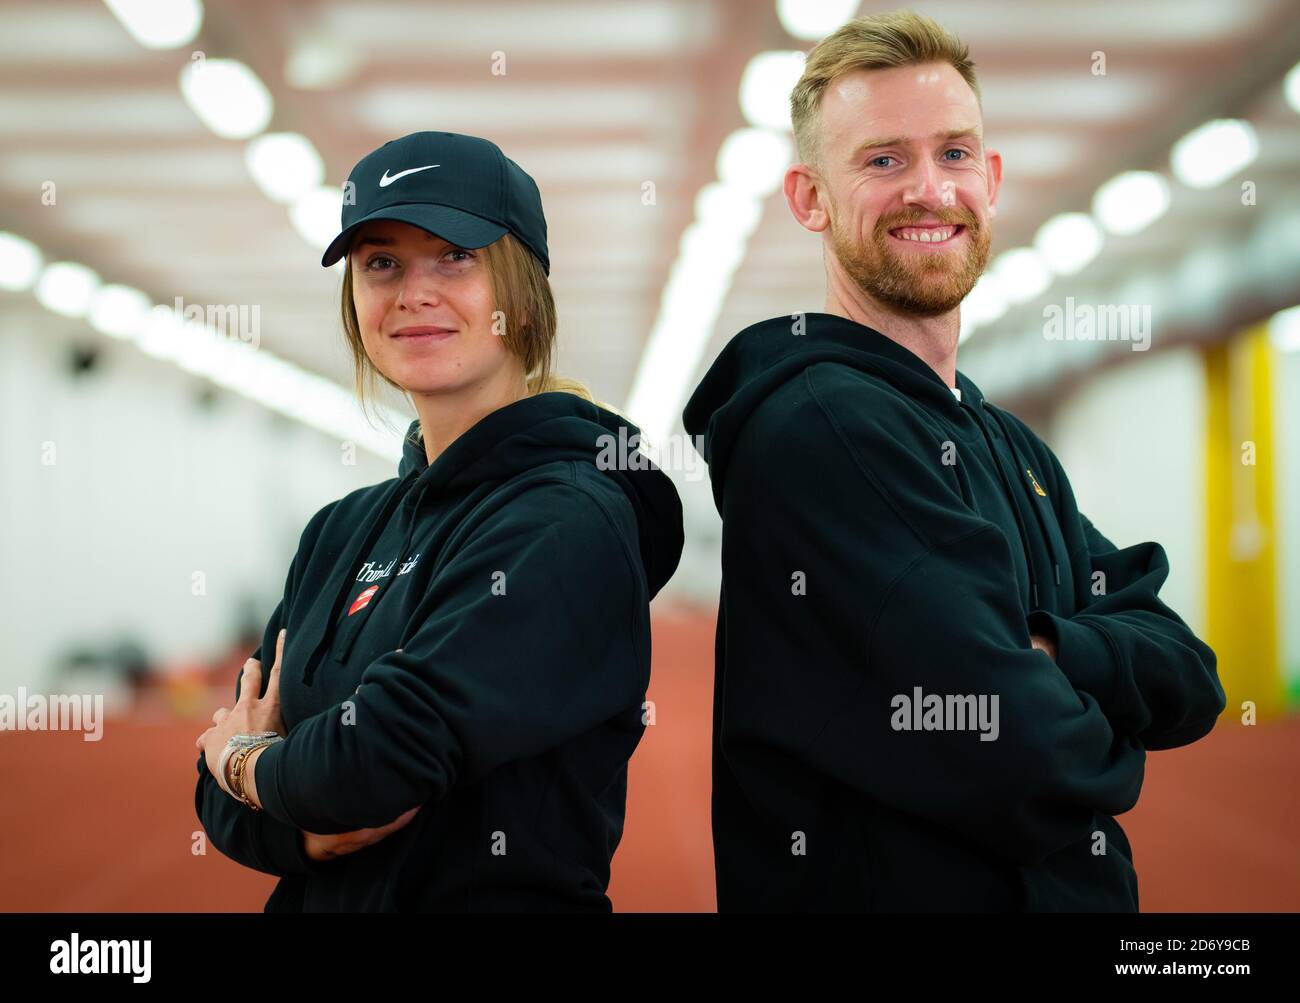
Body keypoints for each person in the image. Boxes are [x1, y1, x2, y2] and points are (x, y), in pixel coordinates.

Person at [682, 12, 1225, 911]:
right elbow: (1018, 745)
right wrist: (1106, 710)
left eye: (955, 154)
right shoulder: (824, 428)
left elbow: (1190, 669)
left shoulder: (1010, 445)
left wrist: (1053, 648)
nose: (929, 191)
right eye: (883, 160)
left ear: (993, 177)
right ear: (809, 198)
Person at [194, 131, 684, 912]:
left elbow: (370, 761)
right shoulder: (338, 532)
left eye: (454, 255)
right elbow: (218, 799)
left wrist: (246, 763)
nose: (412, 291)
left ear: (520, 292)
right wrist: (301, 827)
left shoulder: (568, 521)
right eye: (380, 263)